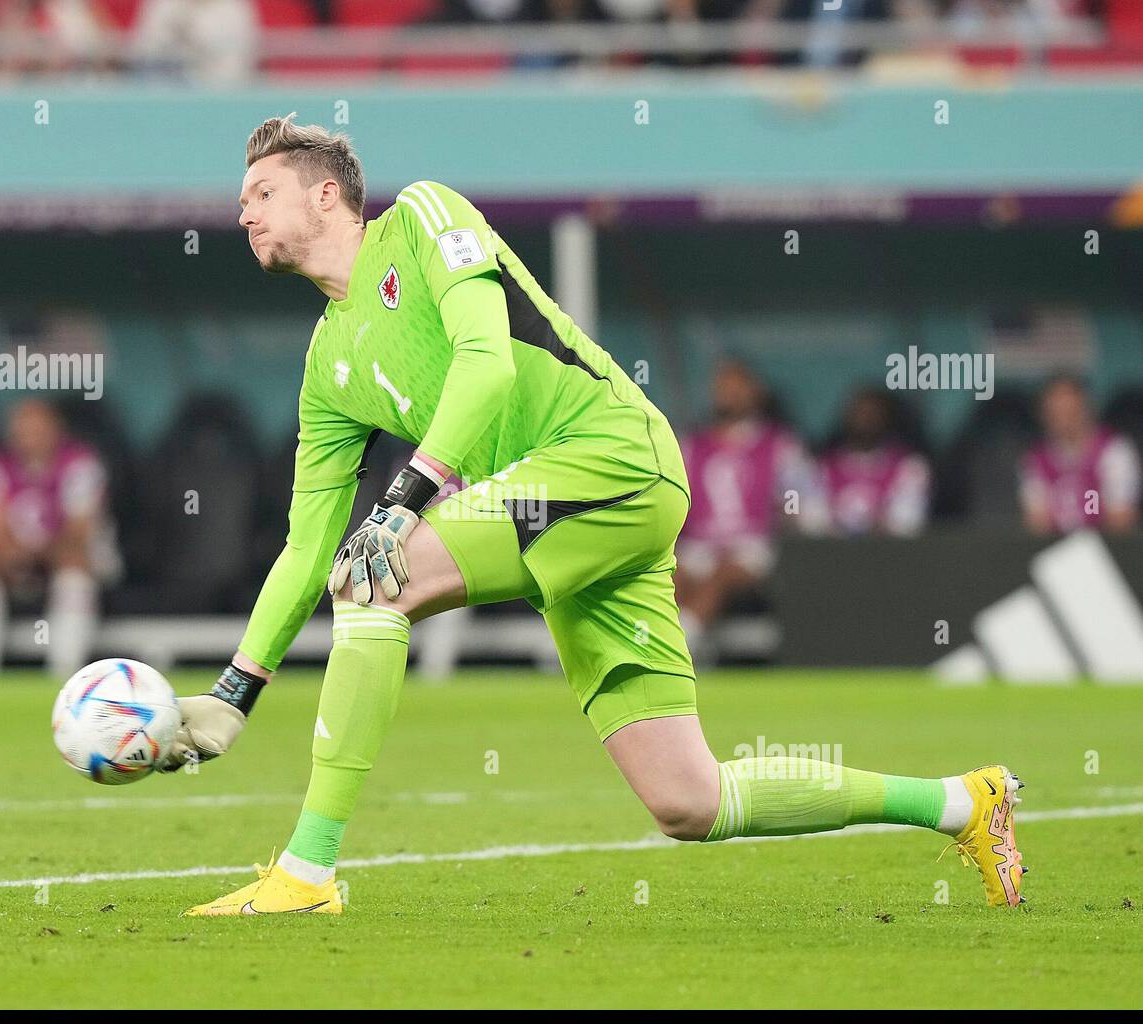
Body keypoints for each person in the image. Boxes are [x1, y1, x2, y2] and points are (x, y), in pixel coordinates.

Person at [163, 114, 1026, 916]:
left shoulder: (423, 217)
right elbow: (304, 543)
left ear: (325, 194)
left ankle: (308, 871)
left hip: (612, 457)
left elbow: (488, 363)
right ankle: (961, 802)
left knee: (374, 581)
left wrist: (404, 499)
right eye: (240, 204)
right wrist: (237, 689)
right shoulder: (327, 364)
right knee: (687, 801)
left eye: (260, 195)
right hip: (566, 514)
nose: (243, 215)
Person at [0, 399, 115, 678]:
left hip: (73, 554)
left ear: (57, 429)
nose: (29, 438)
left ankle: (64, 673)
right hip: (18, 558)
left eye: (37, 429)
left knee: (73, 569)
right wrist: (11, 556)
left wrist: (38, 556)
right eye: (22, 431)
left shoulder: (80, 462)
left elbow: (78, 530)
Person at [675, 358, 820, 655]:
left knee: (723, 573)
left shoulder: (779, 446)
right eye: (721, 386)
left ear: (755, 392)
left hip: (752, 546)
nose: (727, 393)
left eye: (736, 386)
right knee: (671, 576)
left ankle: (681, 642)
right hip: (698, 544)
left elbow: (808, 505)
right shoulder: (691, 445)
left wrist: (786, 514)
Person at [1021, 374, 1140, 535]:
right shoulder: (1036, 459)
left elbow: (1121, 520)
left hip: (1105, 552)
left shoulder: (1114, 451)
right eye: (1055, 413)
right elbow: (1036, 523)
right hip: (1055, 553)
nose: (1063, 421)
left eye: (1069, 412)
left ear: (1085, 408)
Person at [819, 388, 931, 536]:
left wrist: (870, 525)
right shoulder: (822, 467)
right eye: (859, 413)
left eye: (872, 414)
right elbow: (809, 519)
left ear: (886, 418)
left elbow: (908, 522)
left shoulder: (911, 467)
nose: (865, 420)